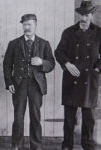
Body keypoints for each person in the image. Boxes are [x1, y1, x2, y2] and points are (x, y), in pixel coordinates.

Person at [3, 14, 55, 150]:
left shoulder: (44, 43)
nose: (27, 27)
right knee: (18, 117)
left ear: (35, 24)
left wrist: (41, 62)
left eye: (29, 24)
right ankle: (16, 145)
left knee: (35, 117)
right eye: (24, 25)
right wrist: (9, 83)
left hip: (36, 85)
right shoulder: (14, 43)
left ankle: (36, 146)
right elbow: (7, 64)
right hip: (19, 84)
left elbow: (51, 64)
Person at [54, 1, 101, 150]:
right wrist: (67, 64)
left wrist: (98, 69)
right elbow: (59, 52)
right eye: (81, 15)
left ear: (92, 15)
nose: (84, 18)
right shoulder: (68, 32)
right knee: (69, 118)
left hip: (89, 79)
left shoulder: (99, 32)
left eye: (87, 15)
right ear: (78, 15)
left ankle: (88, 145)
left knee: (89, 118)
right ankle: (67, 145)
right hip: (71, 78)